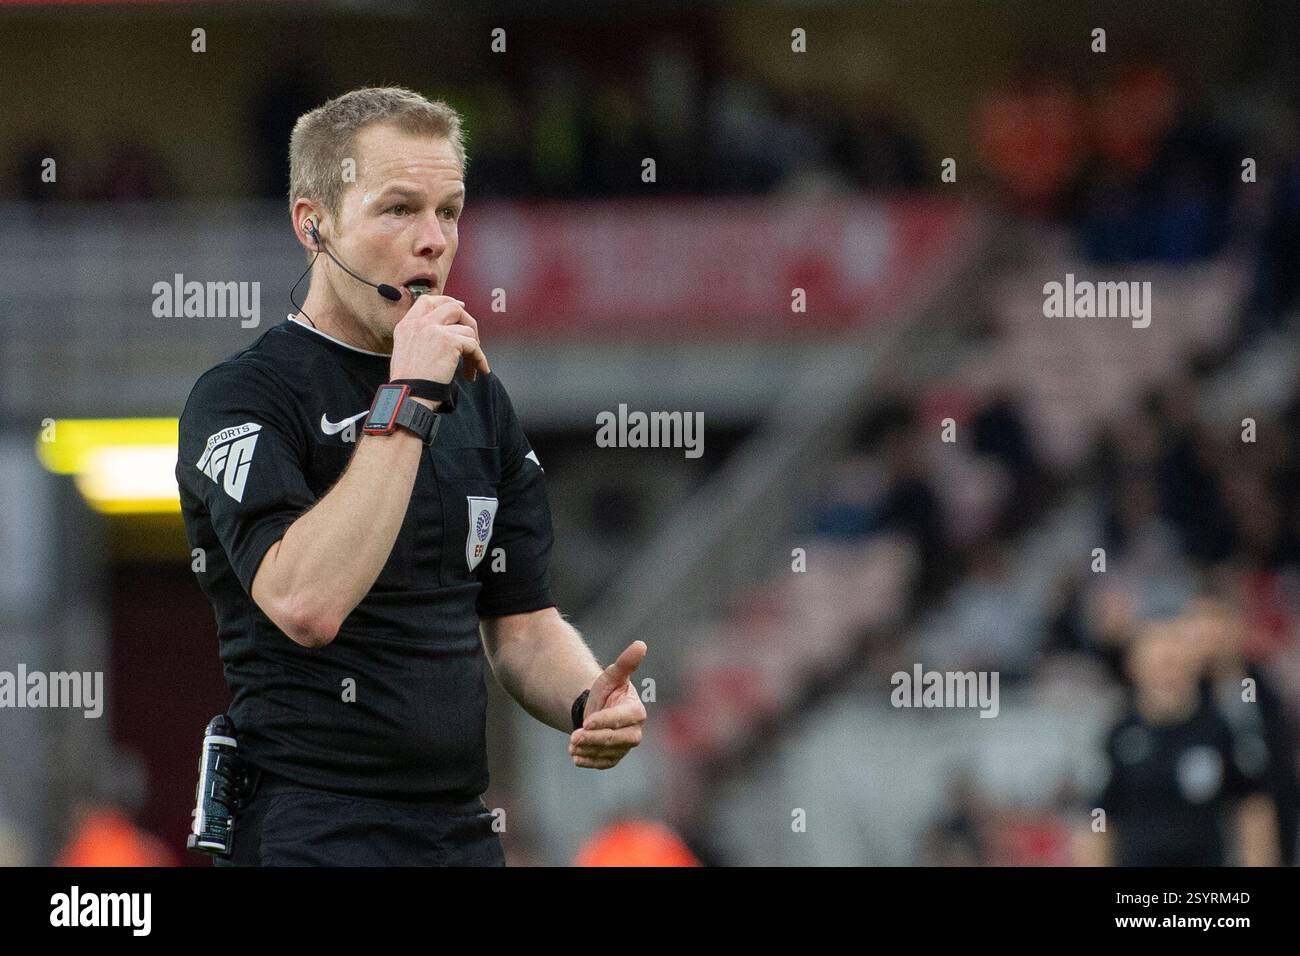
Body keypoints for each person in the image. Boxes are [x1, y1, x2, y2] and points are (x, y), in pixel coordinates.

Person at [175, 87, 647, 866]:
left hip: (461, 829)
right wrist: (407, 399)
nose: (434, 241)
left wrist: (586, 699)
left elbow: (522, 625)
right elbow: (306, 601)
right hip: (308, 830)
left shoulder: (478, 396)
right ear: (313, 224)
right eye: (399, 209)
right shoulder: (242, 398)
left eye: (450, 210)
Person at [1081, 616, 1278, 866]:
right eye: (1157, 665)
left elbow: (1253, 808)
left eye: (1174, 663)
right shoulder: (1119, 736)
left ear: (1192, 665)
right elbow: (1099, 819)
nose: (1166, 674)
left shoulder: (1220, 729)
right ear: (1135, 668)